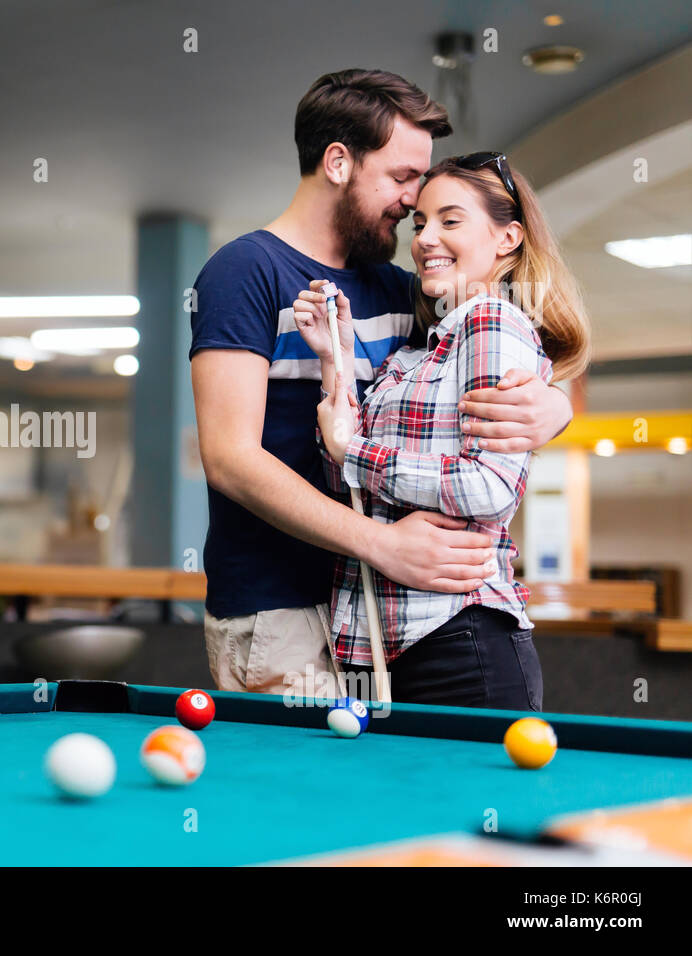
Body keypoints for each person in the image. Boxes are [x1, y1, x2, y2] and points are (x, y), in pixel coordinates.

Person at [189, 69, 575, 699]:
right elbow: (230, 459)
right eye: (400, 179)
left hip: (385, 617)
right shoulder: (244, 271)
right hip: (282, 609)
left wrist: (554, 407)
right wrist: (381, 545)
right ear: (338, 162)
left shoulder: (401, 289)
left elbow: (510, 347)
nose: (409, 204)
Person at [293, 151, 589, 709]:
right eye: (421, 222)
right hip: (386, 649)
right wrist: (335, 363)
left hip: (461, 643)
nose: (427, 237)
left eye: (451, 221)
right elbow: (349, 489)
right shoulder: (418, 351)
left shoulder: (492, 320)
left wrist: (352, 449)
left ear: (508, 238)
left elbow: (489, 488)